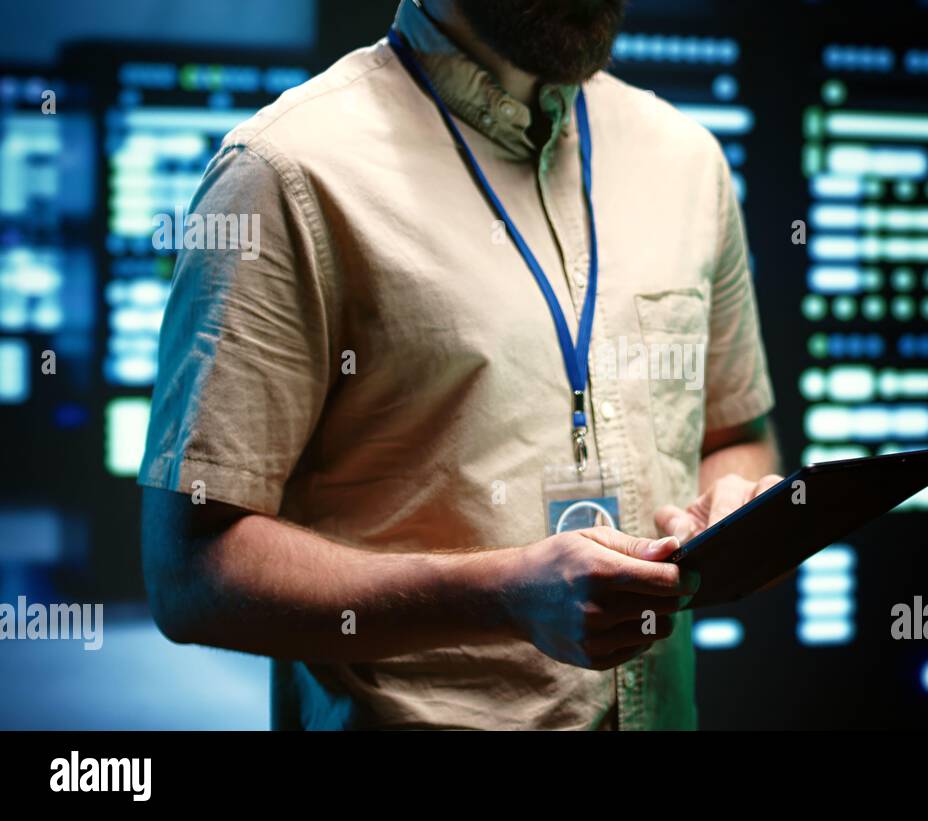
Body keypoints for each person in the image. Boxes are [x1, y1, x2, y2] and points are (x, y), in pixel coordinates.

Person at [138, 0, 779, 730]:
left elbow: (734, 432)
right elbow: (189, 572)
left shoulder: (687, 161)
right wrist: (499, 594)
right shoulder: (284, 173)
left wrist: (733, 514)